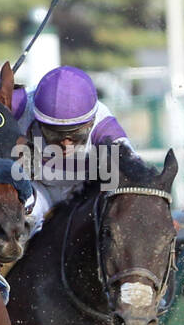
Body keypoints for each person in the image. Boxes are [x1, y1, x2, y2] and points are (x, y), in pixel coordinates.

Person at [12, 65, 138, 238]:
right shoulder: (18, 105)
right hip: (36, 186)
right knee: (19, 219)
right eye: (54, 133)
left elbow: (136, 179)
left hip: (81, 193)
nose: (65, 143)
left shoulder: (106, 129)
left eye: (76, 134)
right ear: (37, 119)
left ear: (91, 122)